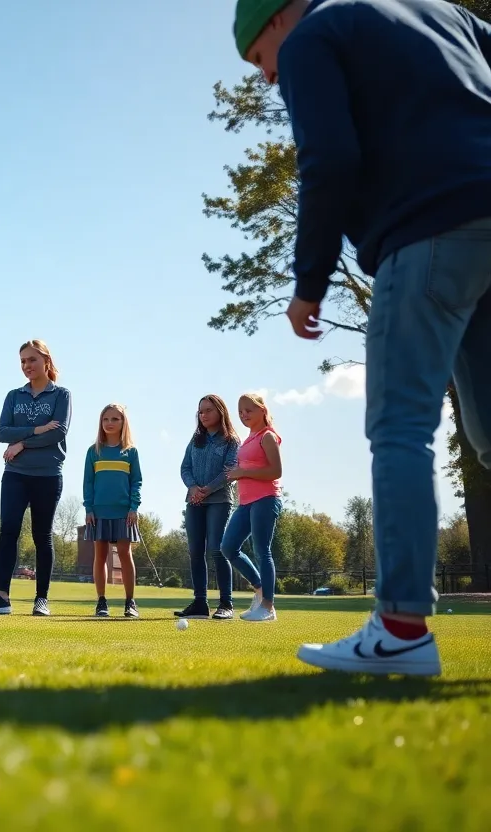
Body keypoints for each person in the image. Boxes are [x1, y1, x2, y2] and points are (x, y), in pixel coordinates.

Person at [233, 0, 491, 674]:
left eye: (260, 58)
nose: (267, 77)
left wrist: (308, 281)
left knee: (400, 428)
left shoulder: (314, 36)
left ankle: (402, 628)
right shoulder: (444, 13)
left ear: (281, 16)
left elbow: (330, 158)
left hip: (426, 229)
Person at [0, 340, 71, 616]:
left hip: (48, 475)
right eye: (22, 362)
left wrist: (22, 443)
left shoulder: (61, 395)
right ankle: (1, 598)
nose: (27, 366)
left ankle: (41, 599)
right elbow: (2, 433)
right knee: (8, 532)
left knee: (43, 536)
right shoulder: (14, 396)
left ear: (46, 361)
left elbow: (58, 432)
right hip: (16, 474)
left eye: (31, 360)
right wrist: (38, 428)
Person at [175, 395, 241, 620]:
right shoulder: (196, 440)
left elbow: (230, 470)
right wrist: (193, 487)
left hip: (219, 501)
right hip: (194, 501)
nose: (203, 415)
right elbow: (185, 467)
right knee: (195, 551)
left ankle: (226, 603)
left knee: (216, 549)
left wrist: (208, 489)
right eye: (200, 411)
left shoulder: (231, 440)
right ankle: (200, 603)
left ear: (220, 412)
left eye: (208, 411)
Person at [219, 393, 283, 622]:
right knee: (228, 547)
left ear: (262, 410)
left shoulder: (267, 437)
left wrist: (243, 472)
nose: (244, 415)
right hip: (246, 502)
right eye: (241, 412)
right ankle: (260, 590)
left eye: (249, 410)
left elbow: (276, 471)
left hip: (266, 499)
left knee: (262, 550)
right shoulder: (249, 439)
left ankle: (268, 607)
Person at [83, 404, 143, 619]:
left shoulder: (131, 452)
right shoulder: (94, 451)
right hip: (98, 512)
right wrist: (89, 508)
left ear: (123, 422)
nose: (109, 423)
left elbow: (136, 481)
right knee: (100, 556)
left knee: (125, 555)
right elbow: (88, 483)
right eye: (105, 419)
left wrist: (133, 507)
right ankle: (101, 602)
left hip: (124, 512)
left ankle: (130, 602)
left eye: (115, 419)